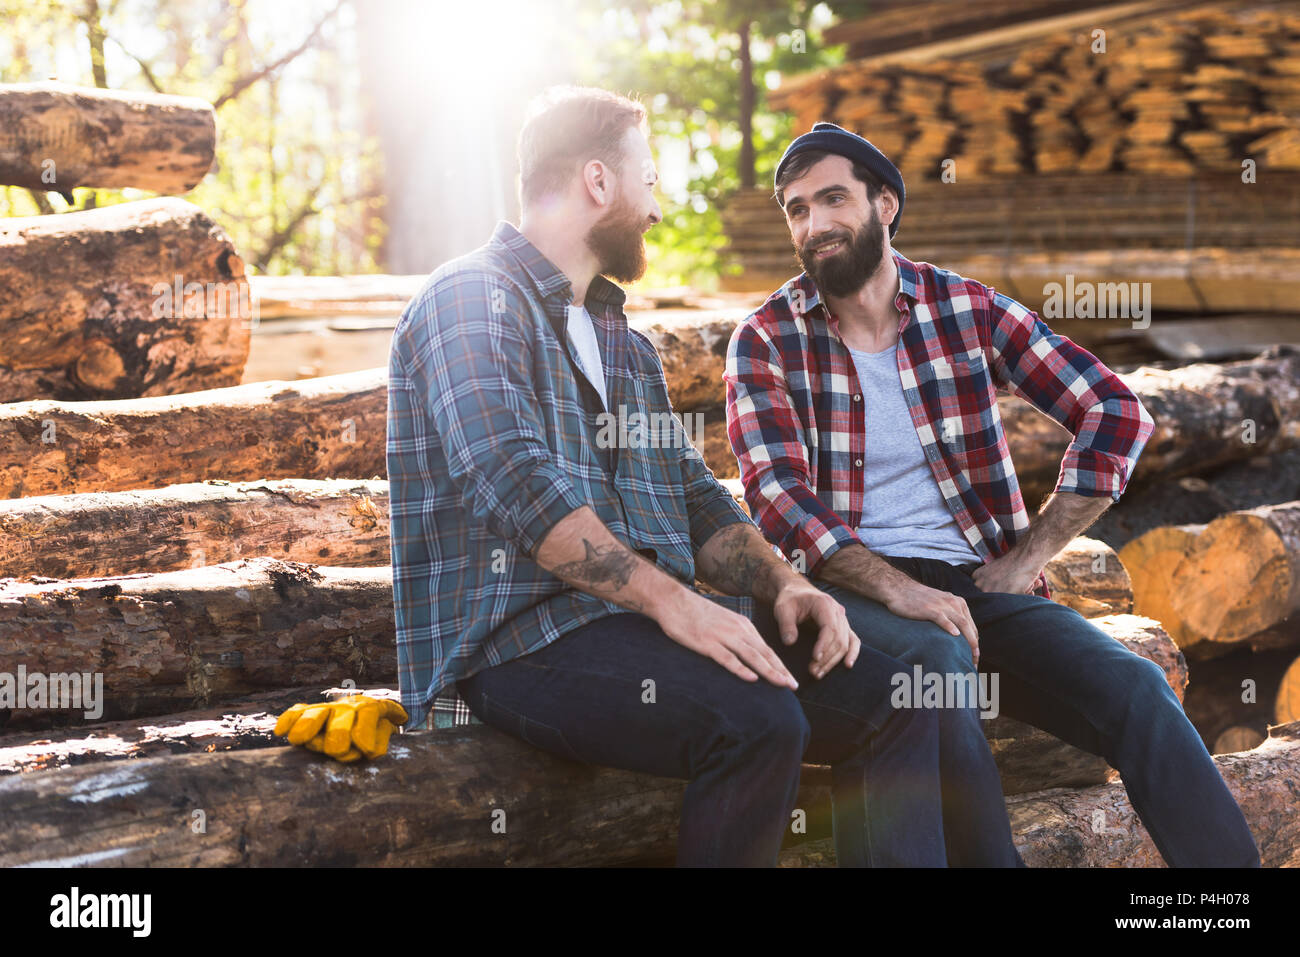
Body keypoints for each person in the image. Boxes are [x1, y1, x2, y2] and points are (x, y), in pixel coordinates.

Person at [385, 90, 1022, 867]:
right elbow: (515, 481)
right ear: (598, 182)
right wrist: (678, 605)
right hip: (514, 645)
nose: (657, 208)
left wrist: (785, 585)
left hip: (635, 630)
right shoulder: (470, 297)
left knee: (907, 690)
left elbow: (695, 499)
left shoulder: (624, 344)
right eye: (647, 179)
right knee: (758, 719)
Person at [724, 121, 1261, 867]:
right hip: (846, 595)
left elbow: (1116, 411)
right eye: (796, 208)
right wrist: (896, 587)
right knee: (934, 671)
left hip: (980, 586)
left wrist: (1030, 554)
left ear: (885, 204)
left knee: (1138, 688)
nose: (813, 225)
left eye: (832, 199)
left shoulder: (965, 310)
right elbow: (777, 495)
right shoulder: (766, 337)